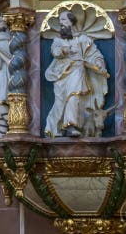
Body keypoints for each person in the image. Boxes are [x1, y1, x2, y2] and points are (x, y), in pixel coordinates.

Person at [44, 10, 109, 138]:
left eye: (63, 20)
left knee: (74, 95)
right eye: (59, 20)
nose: (60, 23)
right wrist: (65, 50)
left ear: (72, 22)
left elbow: (95, 54)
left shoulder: (83, 40)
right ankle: (54, 129)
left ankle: (70, 125)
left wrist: (99, 63)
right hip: (61, 75)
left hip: (78, 70)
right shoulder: (58, 41)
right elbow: (55, 52)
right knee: (60, 103)